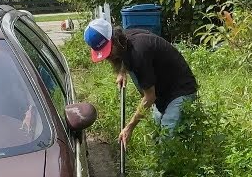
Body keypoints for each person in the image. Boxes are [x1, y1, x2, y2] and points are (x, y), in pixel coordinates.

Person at [83, 17, 198, 148]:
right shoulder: (125, 40)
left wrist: (129, 127)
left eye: (108, 52)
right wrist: (122, 71)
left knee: (167, 141)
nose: (108, 57)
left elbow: (149, 97)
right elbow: (123, 55)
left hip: (180, 91)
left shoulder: (139, 52)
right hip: (162, 92)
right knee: (155, 137)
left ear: (114, 40)